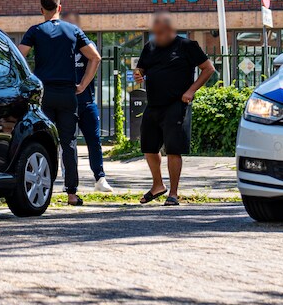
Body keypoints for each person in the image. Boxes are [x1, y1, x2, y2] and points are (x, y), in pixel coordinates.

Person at [18, 0, 100, 206]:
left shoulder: (35, 31)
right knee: (69, 143)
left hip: (44, 94)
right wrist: (83, 84)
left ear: (41, 9)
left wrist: (29, 81)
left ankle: (43, 191)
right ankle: (72, 194)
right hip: (67, 94)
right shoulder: (73, 30)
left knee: (43, 141)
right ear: (60, 8)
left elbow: (19, 57)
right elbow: (95, 57)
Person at [134, 11, 216, 206]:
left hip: (176, 104)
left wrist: (191, 91)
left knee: (173, 149)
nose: (157, 35)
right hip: (153, 104)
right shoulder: (150, 47)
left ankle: (174, 192)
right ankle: (157, 186)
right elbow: (141, 68)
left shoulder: (187, 46)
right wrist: (138, 73)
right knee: (148, 147)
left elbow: (209, 69)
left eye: (161, 31)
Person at [63, 12, 115, 193]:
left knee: (94, 140)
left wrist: (83, 85)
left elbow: (96, 59)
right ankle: (68, 182)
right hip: (66, 102)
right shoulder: (60, 46)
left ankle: (100, 178)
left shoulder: (87, 45)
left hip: (86, 101)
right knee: (67, 144)